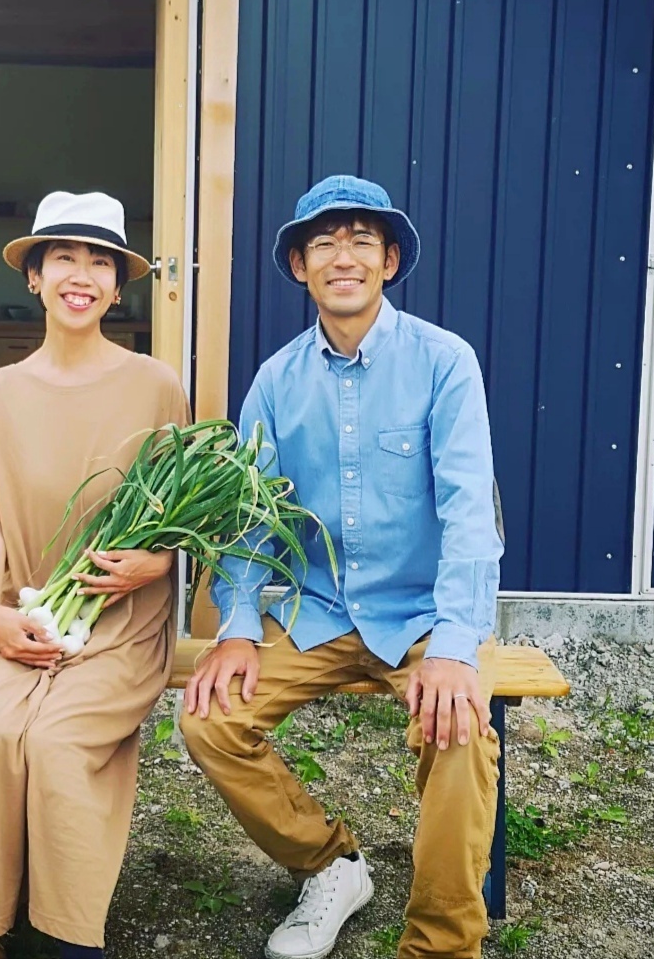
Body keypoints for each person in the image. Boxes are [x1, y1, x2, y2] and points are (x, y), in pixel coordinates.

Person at [180, 175, 505, 959]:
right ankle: (329, 863)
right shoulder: (274, 381)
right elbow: (249, 517)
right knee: (209, 719)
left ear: (388, 259)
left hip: (421, 613)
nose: (342, 256)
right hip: (317, 606)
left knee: (461, 731)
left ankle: (438, 943)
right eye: (321, 242)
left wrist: (457, 646)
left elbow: (469, 510)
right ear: (300, 267)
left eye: (361, 238)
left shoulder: (443, 362)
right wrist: (234, 625)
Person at [0, 191, 190, 959]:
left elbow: (182, 517)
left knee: (53, 742)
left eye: (99, 261)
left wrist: (158, 559)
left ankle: (64, 934)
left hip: (119, 616)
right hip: (24, 603)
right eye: (63, 258)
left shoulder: (157, 385)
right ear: (35, 277)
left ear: (120, 285)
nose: (80, 275)